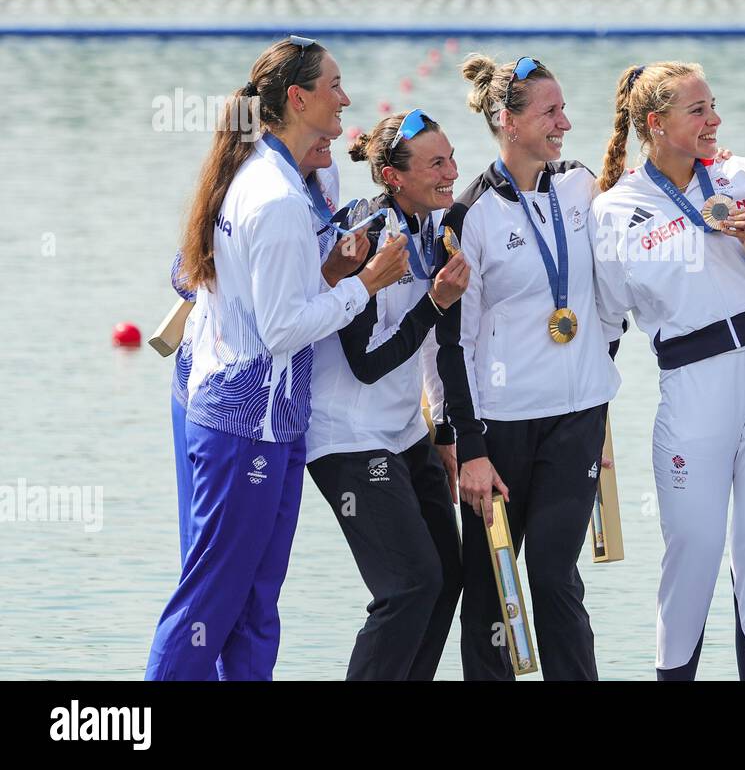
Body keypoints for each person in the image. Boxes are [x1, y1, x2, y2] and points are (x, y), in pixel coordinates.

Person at [146, 37, 410, 680]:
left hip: (274, 421)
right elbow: (283, 328)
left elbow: (277, 295)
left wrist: (336, 269)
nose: (346, 98)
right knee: (209, 601)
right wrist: (364, 285)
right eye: (335, 86)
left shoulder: (275, 174)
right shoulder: (276, 196)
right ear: (298, 99)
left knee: (256, 605)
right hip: (242, 424)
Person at [590, 61, 745, 681]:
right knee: (694, 551)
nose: (714, 120)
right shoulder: (614, 211)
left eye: (713, 106)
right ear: (655, 124)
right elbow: (607, 327)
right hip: (693, 385)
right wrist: (592, 426)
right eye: (698, 111)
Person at [438, 53, 619, 681]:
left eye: (564, 109)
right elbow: (452, 343)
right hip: (501, 427)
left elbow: (611, 294)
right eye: (550, 111)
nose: (565, 122)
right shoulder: (468, 215)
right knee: (491, 587)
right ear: (507, 122)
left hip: (578, 419)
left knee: (552, 573)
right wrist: (469, 446)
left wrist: (598, 371)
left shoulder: (582, 186)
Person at [306, 108, 470, 680]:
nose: (452, 171)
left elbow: (432, 350)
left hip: (405, 433)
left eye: (450, 156)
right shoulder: (368, 237)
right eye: (436, 163)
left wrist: (444, 431)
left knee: (448, 575)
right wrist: (436, 304)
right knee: (408, 586)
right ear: (393, 176)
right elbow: (367, 364)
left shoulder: (431, 228)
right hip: (349, 437)